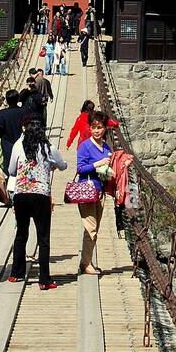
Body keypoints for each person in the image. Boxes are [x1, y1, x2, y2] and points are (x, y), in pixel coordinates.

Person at [7, 116, 67, 290]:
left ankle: (16, 273)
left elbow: (11, 170)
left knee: (21, 234)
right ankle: (44, 279)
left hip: (21, 194)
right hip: (41, 196)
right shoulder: (49, 148)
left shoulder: (18, 146)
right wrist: (51, 166)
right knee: (43, 238)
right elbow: (62, 165)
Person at [75, 111, 113, 275]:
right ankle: (86, 264)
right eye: (94, 127)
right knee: (90, 228)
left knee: (95, 228)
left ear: (105, 128)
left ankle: (87, 261)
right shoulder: (85, 146)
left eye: (100, 127)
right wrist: (98, 163)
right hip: (87, 190)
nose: (97, 131)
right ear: (89, 128)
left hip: (100, 190)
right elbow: (80, 168)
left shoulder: (106, 146)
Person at [0, 89, 24, 171]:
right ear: (18, 99)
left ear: (6, 101)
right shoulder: (24, 111)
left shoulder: (2, 114)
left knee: (9, 166)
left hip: (7, 144)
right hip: (23, 143)